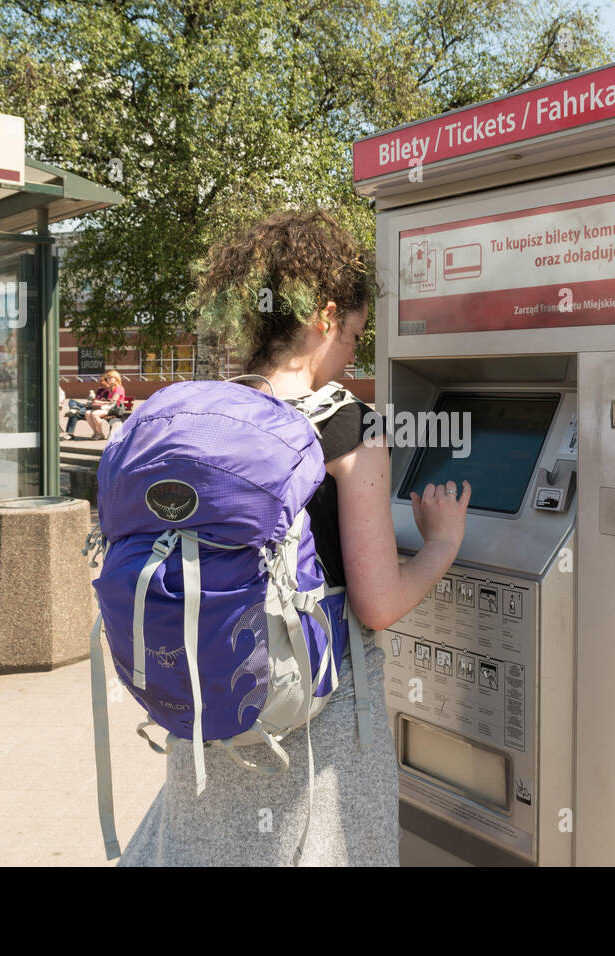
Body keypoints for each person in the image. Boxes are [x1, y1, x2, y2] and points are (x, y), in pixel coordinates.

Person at [118, 208, 470, 866]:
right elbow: (378, 604)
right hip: (313, 726)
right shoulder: (347, 427)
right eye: (356, 336)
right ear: (326, 317)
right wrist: (442, 543)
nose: (353, 356)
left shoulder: (204, 411)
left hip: (206, 708)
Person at [84, 369, 126, 439]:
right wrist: (102, 400)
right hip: (109, 407)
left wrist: (100, 402)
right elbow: (109, 400)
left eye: (111, 379)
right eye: (108, 379)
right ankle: (96, 433)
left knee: (95, 414)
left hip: (115, 408)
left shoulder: (118, 388)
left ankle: (101, 434)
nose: (109, 380)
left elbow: (113, 402)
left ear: (116, 378)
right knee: (87, 413)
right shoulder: (111, 388)